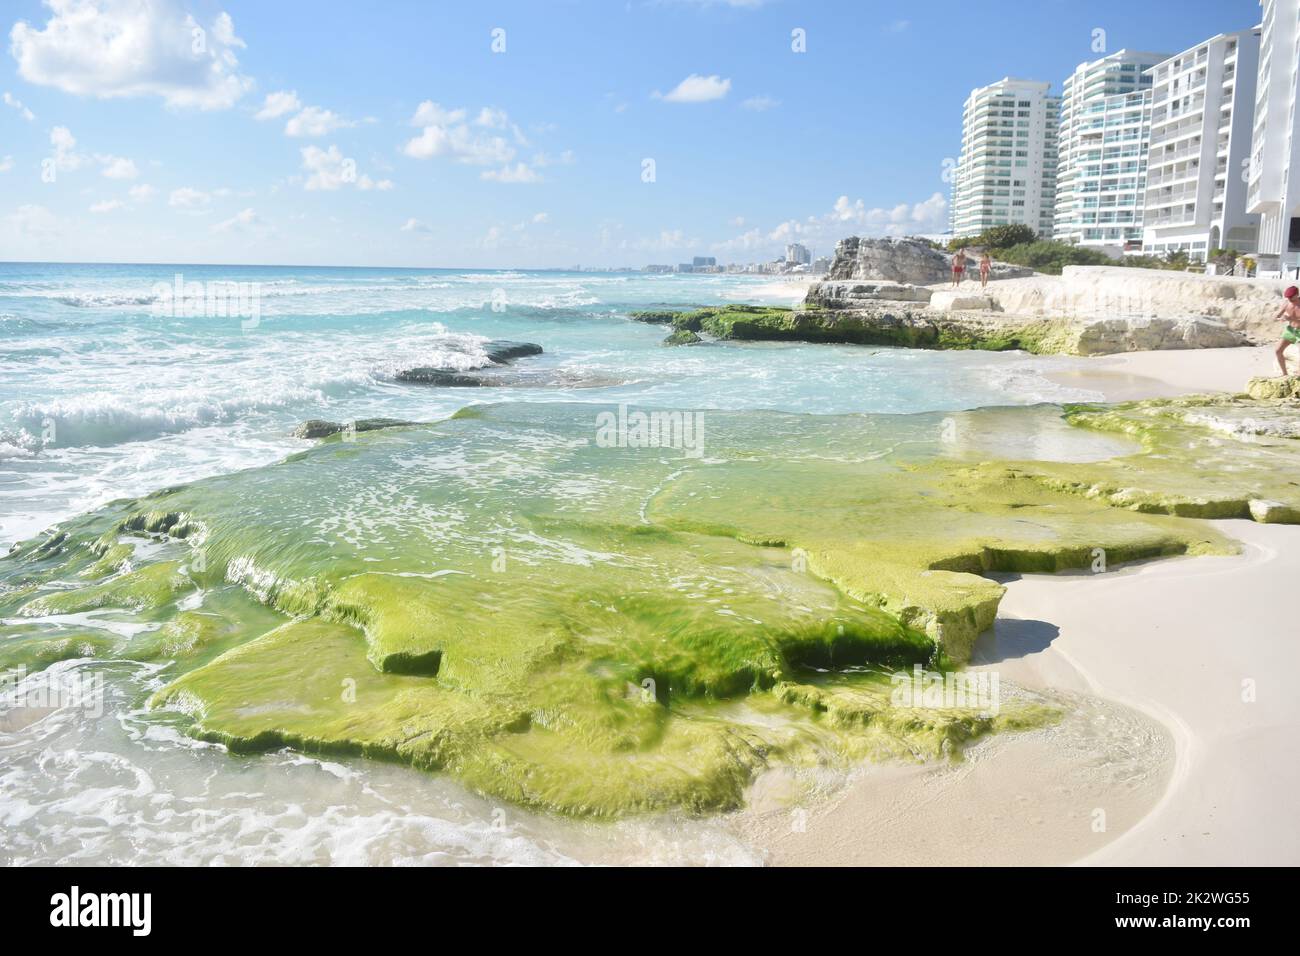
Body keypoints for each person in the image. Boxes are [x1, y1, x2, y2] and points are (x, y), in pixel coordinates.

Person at [1275, 285, 1300, 376]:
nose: (1289, 299)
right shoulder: (1286, 304)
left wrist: (1292, 319)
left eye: (1291, 297)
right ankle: (1284, 374)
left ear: (1297, 295)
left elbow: (1292, 318)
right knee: (1278, 350)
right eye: (1287, 297)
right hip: (1290, 330)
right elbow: (1275, 317)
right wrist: (1281, 318)